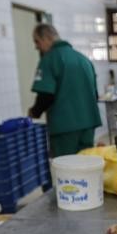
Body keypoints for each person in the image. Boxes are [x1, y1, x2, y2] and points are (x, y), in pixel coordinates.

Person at [29, 24, 102, 157]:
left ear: (47, 38)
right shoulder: (83, 59)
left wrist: (34, 112)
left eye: (37, 41)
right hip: (88, 124)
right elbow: (95, 95)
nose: (36, 47)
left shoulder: (49, 60)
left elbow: (46, 95)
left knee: (67, 169)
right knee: (85, 164)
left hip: (64, 127)